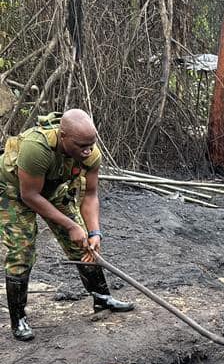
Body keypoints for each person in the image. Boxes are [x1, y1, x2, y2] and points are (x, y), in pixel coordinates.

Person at [0, 108, 133, 341]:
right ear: (63, 137)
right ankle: (18, 319)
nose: (88, 150)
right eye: (81, 145)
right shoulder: (37, 147)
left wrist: (94, 232)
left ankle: (102, 299)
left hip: (52, 190)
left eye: (91, 143)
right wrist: (71, 226)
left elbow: (90, 195)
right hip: (14, 192)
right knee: (22, 251)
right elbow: (29, 195)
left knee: (84, 246)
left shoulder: (90, 154)